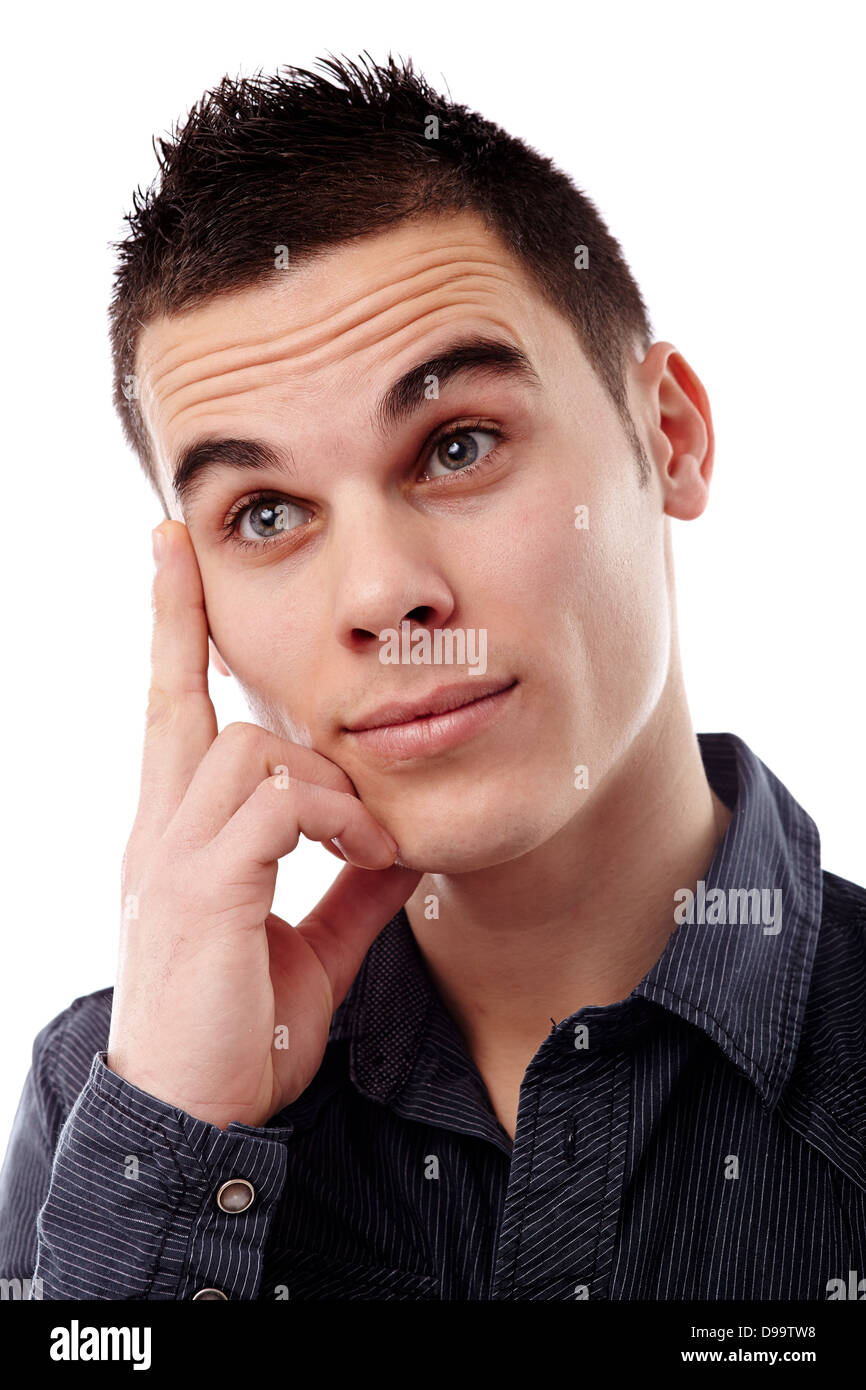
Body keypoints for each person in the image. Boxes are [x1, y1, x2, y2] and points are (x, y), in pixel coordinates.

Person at [1, 53, 863, 1302]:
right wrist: (175, 1141)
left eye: (455, 445)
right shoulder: (112, 1095)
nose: (379, 596)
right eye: (263, 514)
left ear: (666, 435)